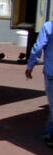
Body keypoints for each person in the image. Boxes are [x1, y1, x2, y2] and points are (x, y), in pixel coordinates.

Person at [25, 17, 53, 147]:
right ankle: (49, 132)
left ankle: (51, 135)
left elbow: (38, 48)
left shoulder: (48, 27)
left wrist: (31, 65)